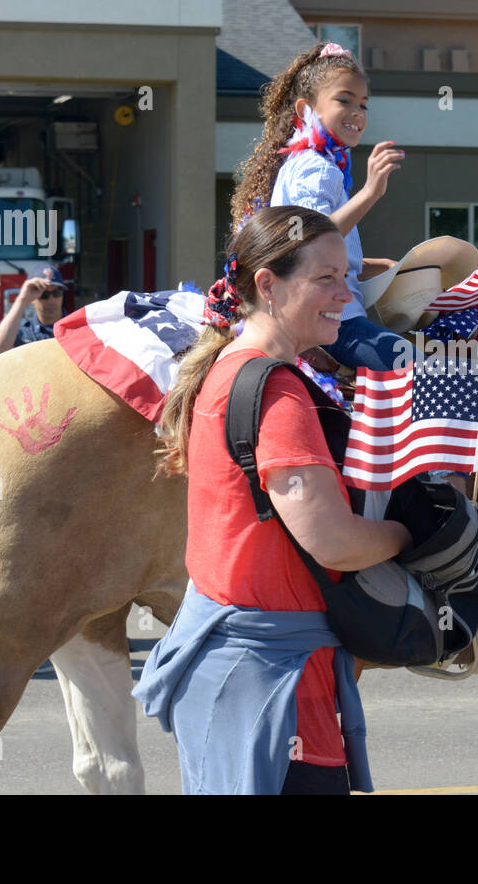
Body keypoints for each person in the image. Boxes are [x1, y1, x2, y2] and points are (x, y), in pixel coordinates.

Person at [136, 205, 413, 794]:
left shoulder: (226, 368)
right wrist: (408, 534)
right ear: (267, 284)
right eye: (325, 279)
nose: (346, 294)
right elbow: (333, 542)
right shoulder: (279, 393)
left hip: (230, 673)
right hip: (273, 684)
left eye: (347, 277)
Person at [230, 42, 407, 372]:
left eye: (364, 105)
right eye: (344, 100)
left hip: (318, 312)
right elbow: (312, 239)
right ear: (305, 108)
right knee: (429, 370)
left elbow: (303, 249)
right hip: (338, 324)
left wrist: (372, 265)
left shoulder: (305, 162)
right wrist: (370, 192)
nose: (357, 112)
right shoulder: (318, 167)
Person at [0, 265, 68, 355]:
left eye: (57, 293)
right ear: (33, 298)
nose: (51, 300)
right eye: (44, 294)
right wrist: (22, 299)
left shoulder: (77, 328)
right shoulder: (22, 331)